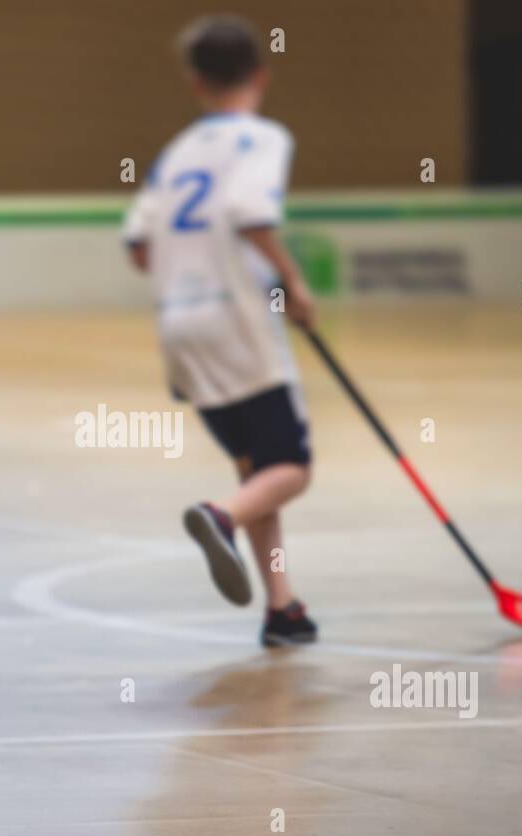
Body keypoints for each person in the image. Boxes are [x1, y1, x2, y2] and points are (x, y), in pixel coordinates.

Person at [122, 15, 318, 647]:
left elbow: (140, 247)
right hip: (237, 323)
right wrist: (291, 280)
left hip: (181, 329)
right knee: (290, 467)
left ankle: (281, 608)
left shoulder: (175, 153)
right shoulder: (262, 138)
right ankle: (217, 517)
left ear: (195, 82)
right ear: (260, 74)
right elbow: (249, 213)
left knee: (255, 472)